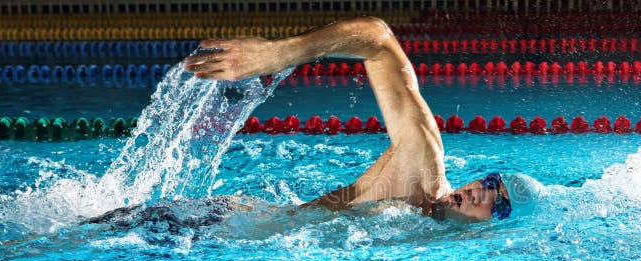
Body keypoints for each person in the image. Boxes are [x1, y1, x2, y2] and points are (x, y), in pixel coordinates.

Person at [184, 16, 541, 222]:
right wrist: (280, 54)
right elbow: (377, 38)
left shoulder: (435, 238)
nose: (481, 192)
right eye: (492, 181)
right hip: (212, 226)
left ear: (500, 228)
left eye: (500, 202)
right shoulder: (423, 176)